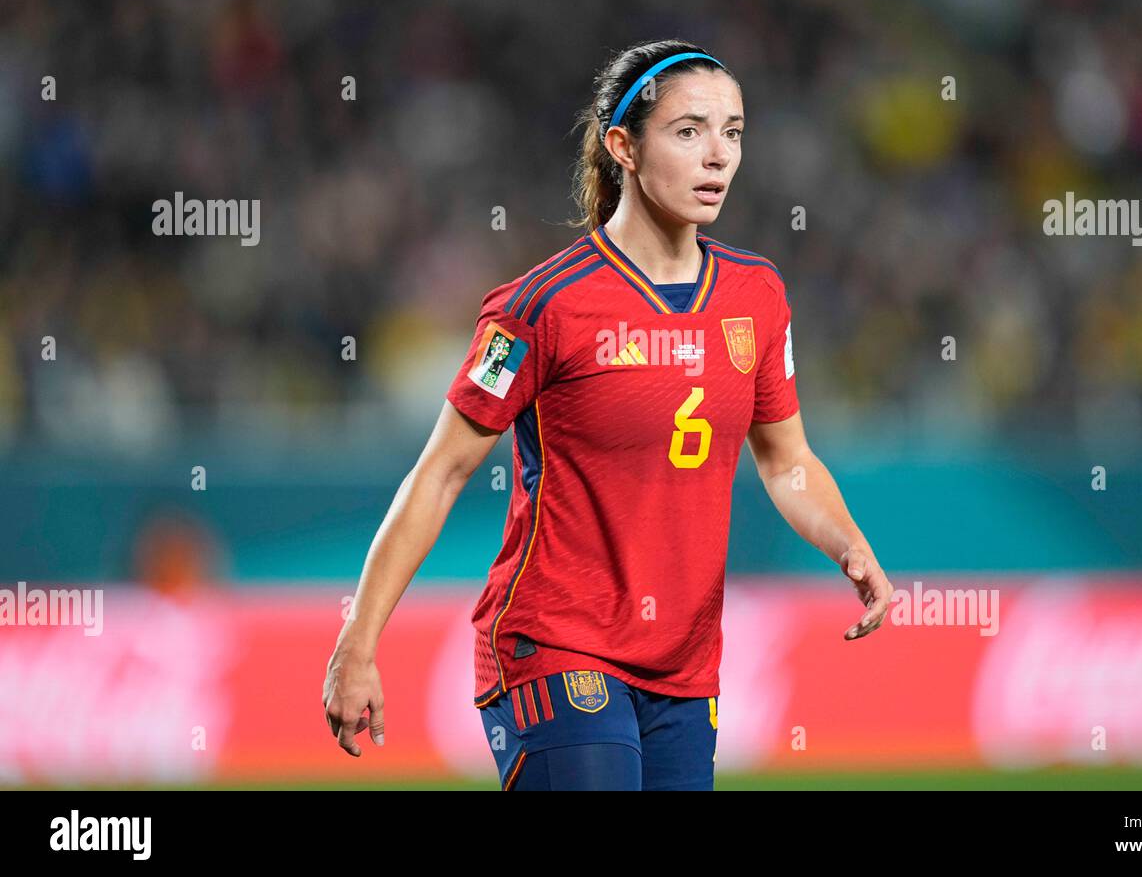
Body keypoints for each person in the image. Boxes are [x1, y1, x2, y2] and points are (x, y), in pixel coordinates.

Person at [323, 39, 893, 790]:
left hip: (686, 664)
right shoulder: (538, 307)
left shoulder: (757, 297)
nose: (718, 154)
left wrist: (849, 542)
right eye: (689, 131)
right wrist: (356, 642)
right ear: (622, 145)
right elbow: (439, 474)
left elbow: (786, 461)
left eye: (733, 131)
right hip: (555, 645)